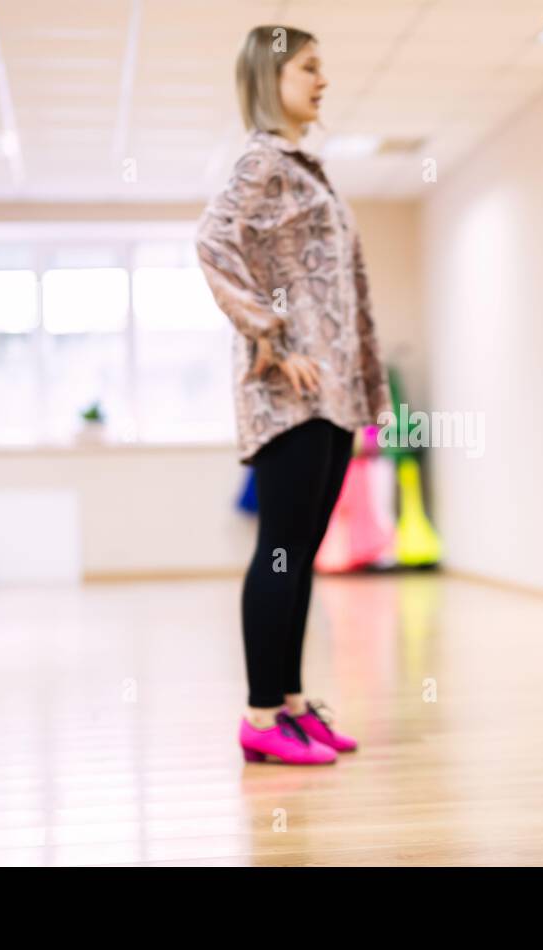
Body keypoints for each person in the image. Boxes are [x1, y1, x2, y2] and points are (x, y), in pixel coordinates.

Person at [196, 25, 391, 766]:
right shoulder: (262, 162)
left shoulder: (304, 168)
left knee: (300, 553)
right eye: (310, 68)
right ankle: (258, 715)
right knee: (280, 550)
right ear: (271, 76)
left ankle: (290, 703)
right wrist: (272, 335)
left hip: (332, 395)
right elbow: (213, 242)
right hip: (292, 396)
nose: (323, 81)